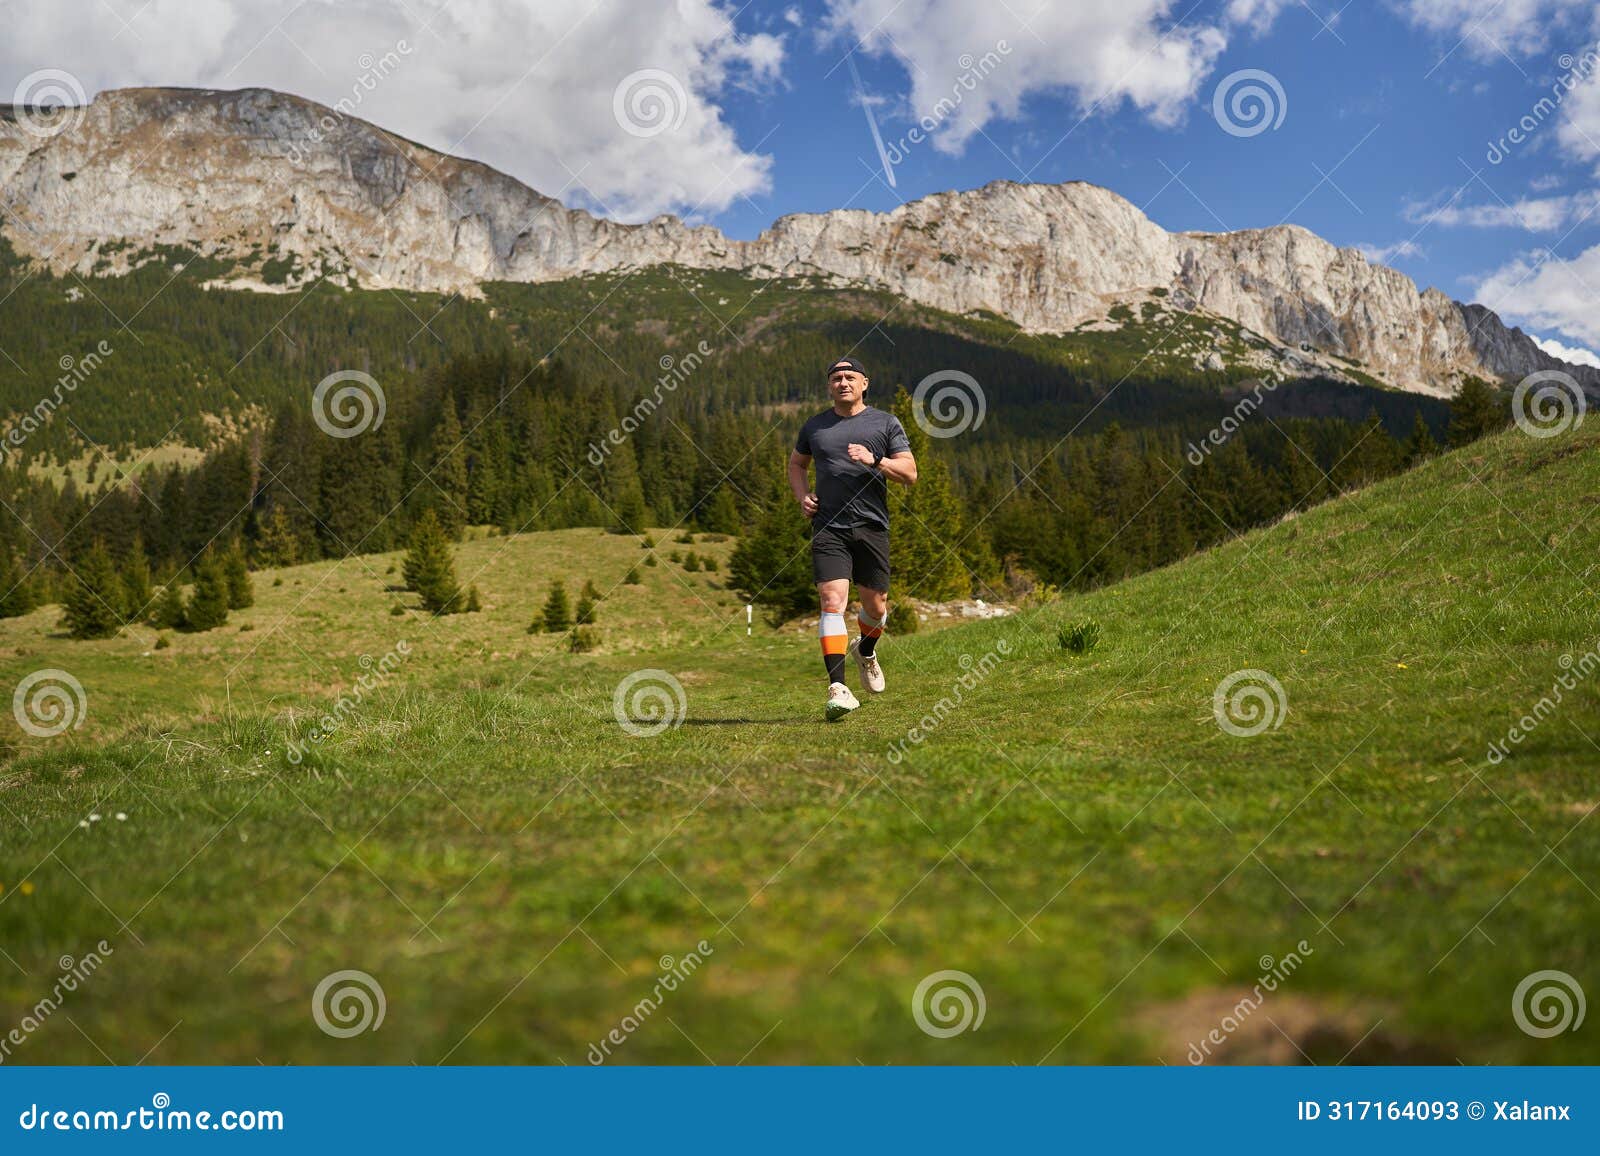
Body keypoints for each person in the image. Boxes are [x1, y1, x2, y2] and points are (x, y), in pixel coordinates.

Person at [789, 357, 918, 721]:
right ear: (829, 386)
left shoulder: (885, 423)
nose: (842, 382)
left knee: (876, 608)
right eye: (836, 378)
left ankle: (866, 650)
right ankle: (838, 688)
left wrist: (875, 460)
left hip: (872, 527)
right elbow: (797, 464)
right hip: (829, 526)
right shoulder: (815, 427)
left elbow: (909, 474)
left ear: (864, 383)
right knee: (832, 601)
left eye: (849, 377)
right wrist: (802, 496)